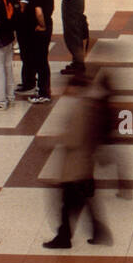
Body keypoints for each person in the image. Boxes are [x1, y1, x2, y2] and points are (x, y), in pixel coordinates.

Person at [42, 76, 113, 249]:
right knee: (84, 201)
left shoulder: (81, 108)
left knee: (67, 204)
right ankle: (99, 233)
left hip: (76, 165)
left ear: (75, 88)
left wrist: (53, 140)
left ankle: (64, 238)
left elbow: (74, 138)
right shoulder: (88, 105)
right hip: (85, 164)